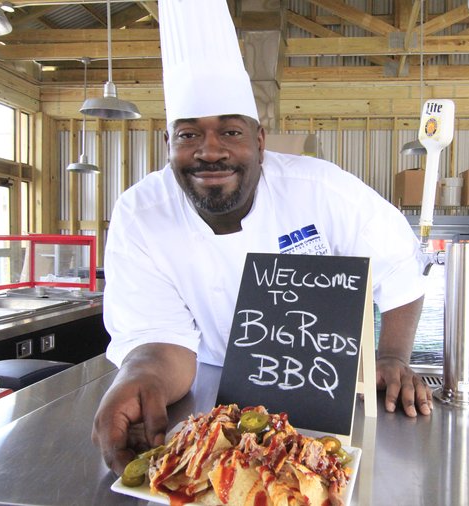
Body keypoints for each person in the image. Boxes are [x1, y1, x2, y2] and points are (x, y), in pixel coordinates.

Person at [91, 0, 432, 476]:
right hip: (209, 391)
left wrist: (392, 356)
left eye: (230, 132)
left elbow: (400, 270)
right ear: (169, 145)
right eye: (188, 135)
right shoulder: (142, 215)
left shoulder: (321, 190)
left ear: (260, 141)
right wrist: (138, 377)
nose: (210, 151)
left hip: (327, 392)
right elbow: (160, 340)